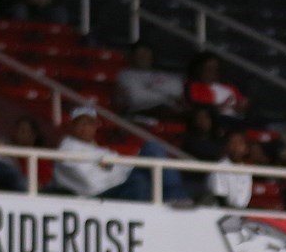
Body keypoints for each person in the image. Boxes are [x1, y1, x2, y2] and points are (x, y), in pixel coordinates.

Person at [52, 107, 185, 203]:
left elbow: (123, 168)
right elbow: (89, 183)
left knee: (150, 163)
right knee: (151, 151)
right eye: (82, 123)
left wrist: (114, 171)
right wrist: (116, 174)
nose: (86, 127)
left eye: (90, 123)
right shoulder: (68, 148)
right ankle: (176, 197)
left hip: (118, 188)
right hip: (99, 196)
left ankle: (175, 199)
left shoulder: (101, 151)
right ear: (72, 126)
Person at [114, 42, 184, 121]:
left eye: (146, 53)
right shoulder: (125, 75)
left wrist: (150, 89)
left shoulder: (161, 74)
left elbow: (178, 90)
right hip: (138, 113)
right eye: (140, 54)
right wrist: (166, 97)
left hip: (166, 110)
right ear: (132, 56)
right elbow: (136, 98)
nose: (143, 57)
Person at [184, 53, 247, 128]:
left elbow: (241, 108)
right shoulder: (193, 86)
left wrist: (241, 108)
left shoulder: (230, 87)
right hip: (216, 122)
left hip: (236, 121)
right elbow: (197, 109)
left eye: (215, 68)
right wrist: (219, 107)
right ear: (200, 69)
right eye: (208, 68)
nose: (212, 71)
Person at [202, 131, 254, 209]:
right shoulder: (219, 168)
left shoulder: (247, 171)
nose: (236, 147)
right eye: (233, 143)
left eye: (240, 143)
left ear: (246, 149)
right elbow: (220, 199)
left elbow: (244, 200)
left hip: (239, 213)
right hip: (218, 213)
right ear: (226, 147)